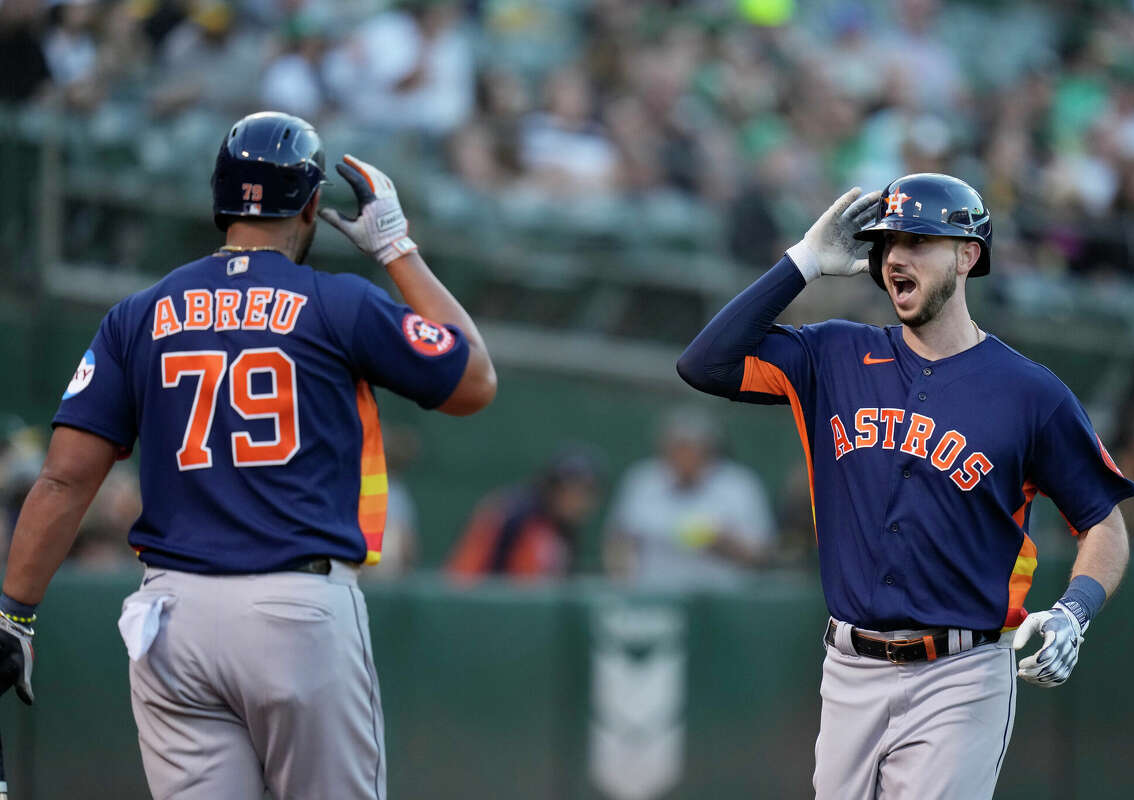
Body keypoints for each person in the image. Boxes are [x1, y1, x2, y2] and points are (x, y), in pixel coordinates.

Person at [0, 111, 496, 800]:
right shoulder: (336, 301)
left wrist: (13, 611)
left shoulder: (138, 314)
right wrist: (396, 247)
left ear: (219, 200)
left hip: (171, 620)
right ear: (316, 205)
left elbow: (64, 478)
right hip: (295, 608)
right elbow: (474, 381)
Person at [676, 173, 1134, 798]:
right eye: (887, 242)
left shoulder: (1030, 394)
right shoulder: (835, 356)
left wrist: (1073, 612)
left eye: (919, 239)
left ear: (967, 255)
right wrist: (804, 262)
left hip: (962, 673)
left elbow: (1104, 523)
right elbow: (704, 363)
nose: (896, 255)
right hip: (848, 669)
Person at [603, 407, 775, 589]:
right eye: (677, 446)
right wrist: (624, 584)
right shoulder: (641, 481)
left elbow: (761, 553)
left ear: (709, 449)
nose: (684, 454)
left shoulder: (740, 485)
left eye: (691, 446)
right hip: (656, 598)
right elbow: (618, 542)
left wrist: (720, 542)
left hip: (723, 602)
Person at [446, 448, 602, 580]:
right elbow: (468, 576)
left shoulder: (565, 529)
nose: (577, 501)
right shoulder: (515, 515)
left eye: (585, 493)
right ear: (552, 488)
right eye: (570, 491)